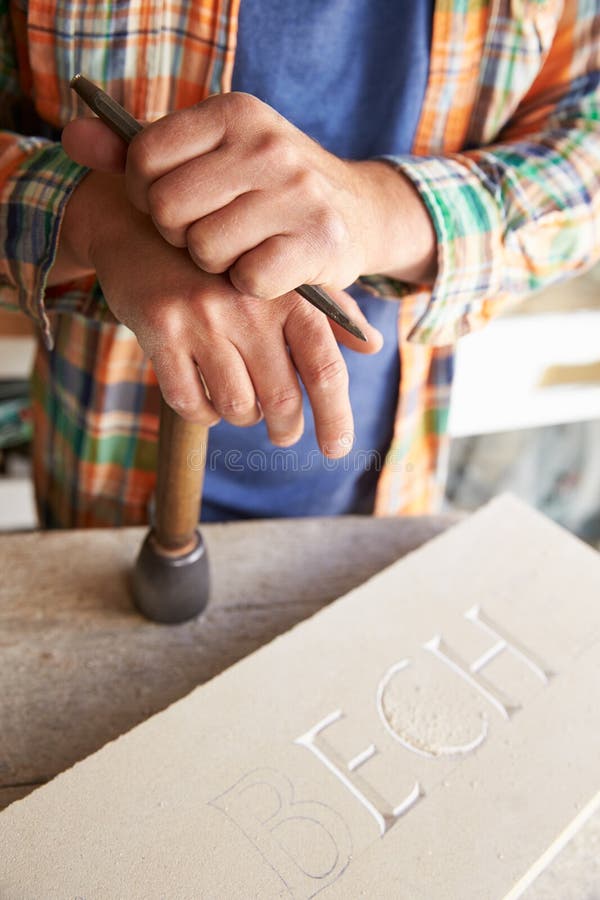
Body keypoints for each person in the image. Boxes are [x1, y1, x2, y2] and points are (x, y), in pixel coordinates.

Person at [0, 0, 598, 528]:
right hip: (97, 505)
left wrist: (376, 210)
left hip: (383, 503)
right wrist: (91, 216)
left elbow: (585, 152)